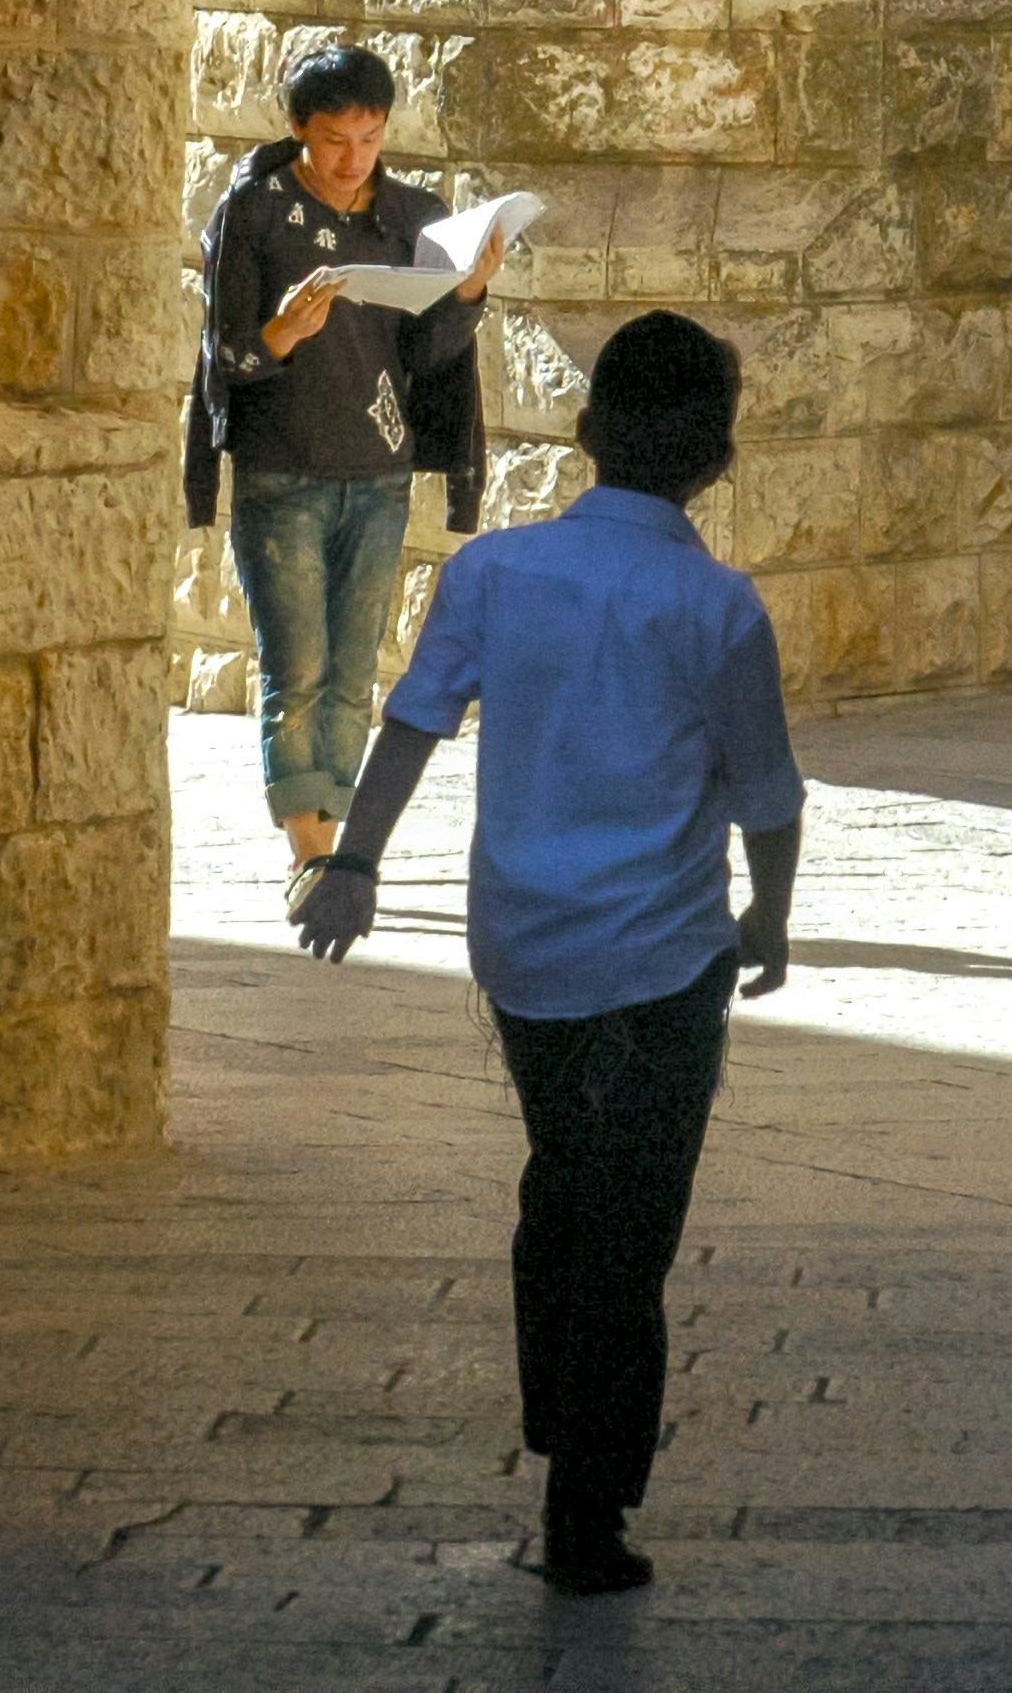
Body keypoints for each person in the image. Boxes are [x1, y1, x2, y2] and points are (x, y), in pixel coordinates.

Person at [286, 311, 804, 1599]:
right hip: (668, 955)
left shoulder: (493, 577)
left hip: (525, 947)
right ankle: (589, 1496)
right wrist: (771, 917)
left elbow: (410, 725)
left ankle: (563, 1436)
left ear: (584, 434)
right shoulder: (721, 608)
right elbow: (766, 796)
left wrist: (355, 862)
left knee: (565, 1180)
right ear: (717, 460)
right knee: (631, 1228)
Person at [184, 44, 505, 866]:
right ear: (298, 131)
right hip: (281, 468)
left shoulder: (412, 215)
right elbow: (225, 359)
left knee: (355, 673)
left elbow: (431, 355)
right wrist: (284, 332)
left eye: (369, 138)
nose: (351, 158)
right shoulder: (255, 212)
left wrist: (466, 292)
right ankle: (311, 851)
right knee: (297, 667)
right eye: (333, 139)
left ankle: (335, 837)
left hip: (378, 471)